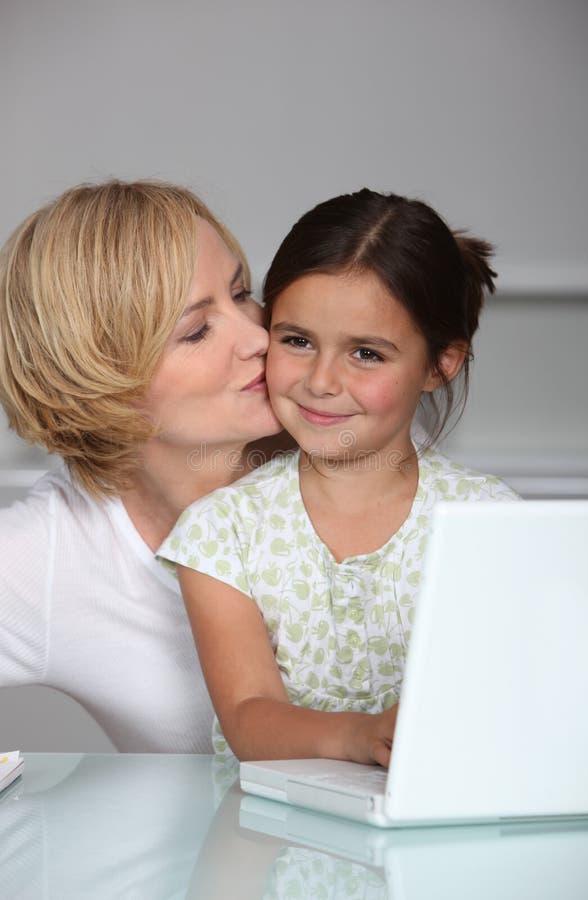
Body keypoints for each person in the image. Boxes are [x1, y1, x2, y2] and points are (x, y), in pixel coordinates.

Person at [159, 188, 519, 766]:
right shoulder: (220, 533)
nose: (321, 381)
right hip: (264, 843)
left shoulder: (491, 521)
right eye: (297, 341)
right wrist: (362, 735)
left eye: (367, 354)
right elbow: (250, 715)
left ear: (439, 365)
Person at [0, 179, 289, 752]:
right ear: (102, 384)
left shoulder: (356, 444)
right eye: (197, 330)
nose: (258, 336)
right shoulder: (54, 552)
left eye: (241, 292)